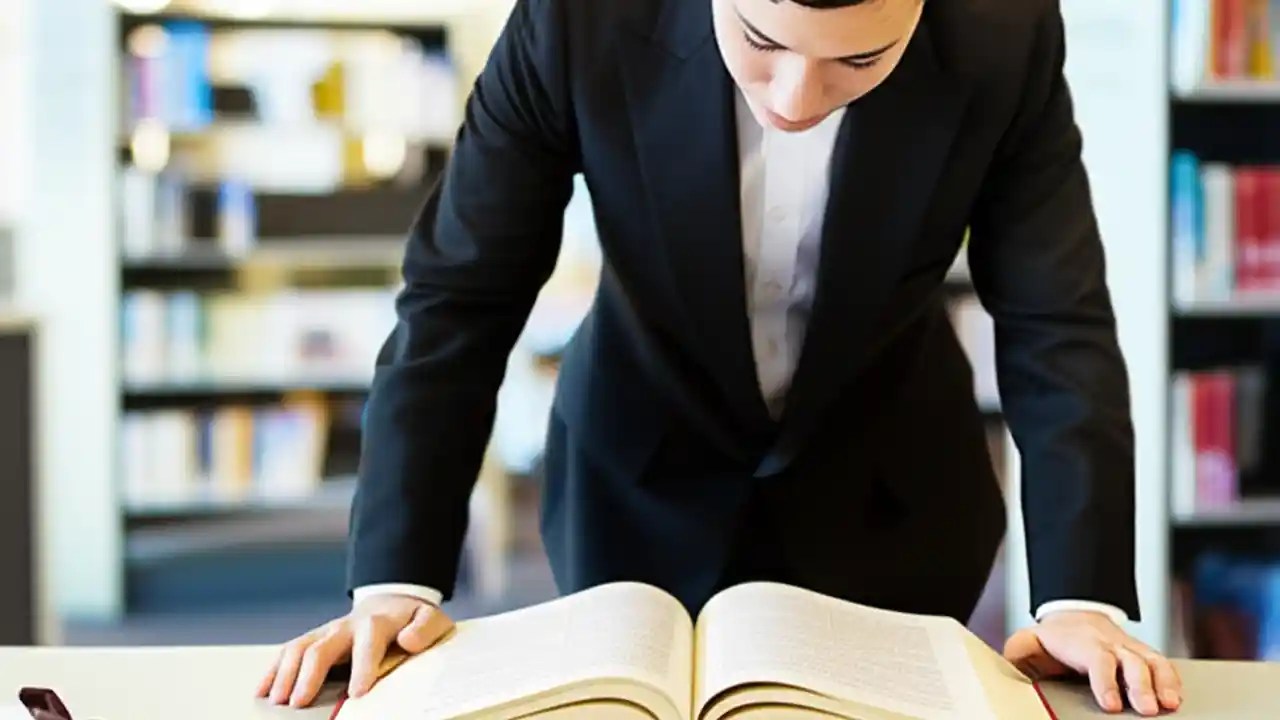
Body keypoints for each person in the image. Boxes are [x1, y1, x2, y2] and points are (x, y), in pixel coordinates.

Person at [258, 0, 1183, 715]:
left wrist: (1079, 599)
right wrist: (396, 577)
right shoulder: (579, 17)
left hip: (891, 492)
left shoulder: (1004, 30)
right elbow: (460, 297)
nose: (794, 101)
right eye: (759, 40)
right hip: (635, 482)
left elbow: (1056, 318)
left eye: (859, 61)